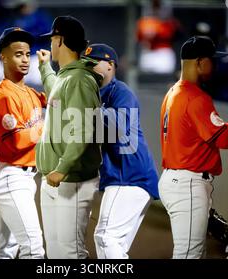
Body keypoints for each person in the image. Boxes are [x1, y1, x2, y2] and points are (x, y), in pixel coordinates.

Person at [158, 36, 228, 259]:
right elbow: (225, 139)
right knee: (189, 254)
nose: (215, 65)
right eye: (211, 60)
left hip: (177, 181)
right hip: (187, 184)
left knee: (192, 252)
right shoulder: (195, 97)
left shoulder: (173, 92)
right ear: (199, 62)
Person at [82, 43, 160, 259]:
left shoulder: (121, 92)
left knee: (106, 238)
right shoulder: (94, 94)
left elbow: (117, 129)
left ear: (110, 65)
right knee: (115, 245)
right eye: (85, 64)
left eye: (93, 63)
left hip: (129, 178)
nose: (88, 68)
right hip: (123, 178)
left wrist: (85, 107)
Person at [36, 15, 102, 259]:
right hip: (58, 178)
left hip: (71, 179)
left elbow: (82, 130)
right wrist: (44, 68)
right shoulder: (67, 76)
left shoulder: (79, 80)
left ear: (61, 40)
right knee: (56, 253)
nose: (51, 45)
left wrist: (62, 168)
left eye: (53, 40)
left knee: (70, 253)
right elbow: (56, 91)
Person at [0, 27, 47, 259]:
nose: (24, 59)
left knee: (3, 251)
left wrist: (47, 68)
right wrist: (45, 129)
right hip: (11, 176)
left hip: (21, 177)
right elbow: (17, 142)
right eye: (18, 54)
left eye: (27, 54)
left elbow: (58, 96)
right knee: (33, 248)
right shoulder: (3, 96)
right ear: (3, 56)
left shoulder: (29, 92)